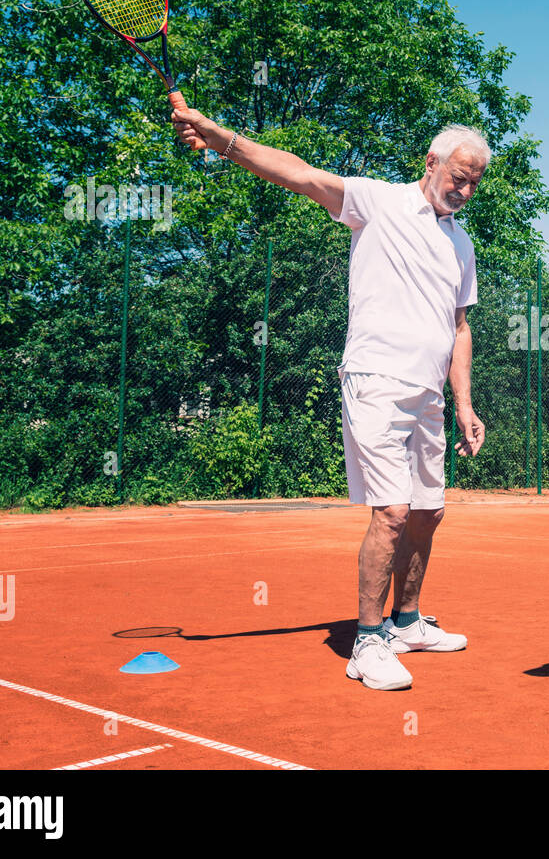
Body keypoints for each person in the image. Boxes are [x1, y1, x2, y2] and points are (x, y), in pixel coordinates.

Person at [171, 106, 487, 691]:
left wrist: (464, 403)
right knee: (391, 512)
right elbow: (299, 173)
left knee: (428, 512)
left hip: (429, 396)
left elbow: (458, 328)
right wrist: (222, 140)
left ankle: (408, 621)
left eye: (474, 182)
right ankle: (367, 642)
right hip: (376, 381)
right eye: (458, 176)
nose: (465, 189)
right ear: (432, 163)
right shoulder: (379, 201)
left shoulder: (461, 245)